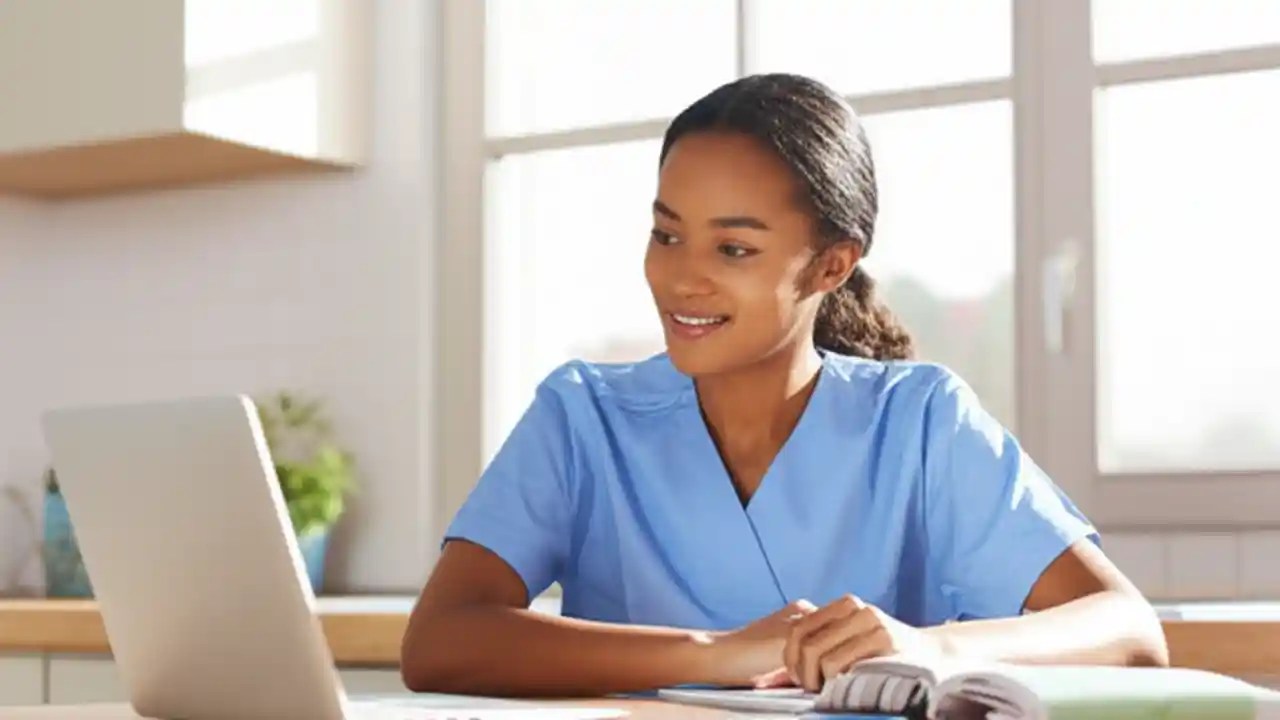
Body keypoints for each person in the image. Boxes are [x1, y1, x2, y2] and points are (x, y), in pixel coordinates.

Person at [401, 73, 1167, 698]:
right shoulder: (581, 417)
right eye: (667, 234)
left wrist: (926, 647)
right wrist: (717, 653)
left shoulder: (921, 422)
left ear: (831, 266)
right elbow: (440, 639)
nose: (681, 278)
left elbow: (1130, 630)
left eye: (733, 248)